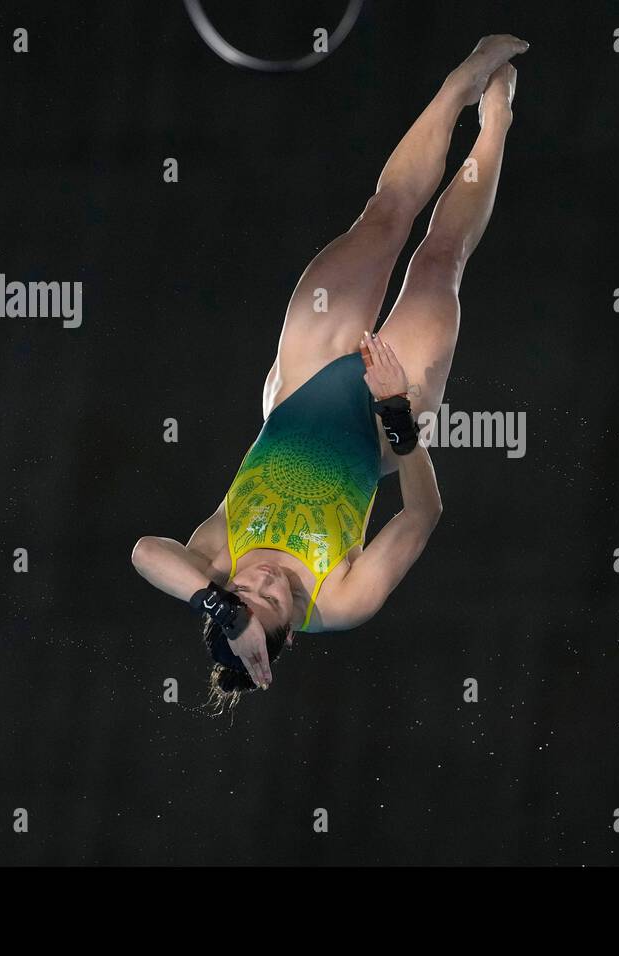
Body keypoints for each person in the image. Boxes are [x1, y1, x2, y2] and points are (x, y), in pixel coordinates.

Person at [131, 35, 527, 709]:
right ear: (291, 629)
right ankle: (495, 126)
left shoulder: (217, 562)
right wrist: (399, 414)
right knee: (439, 263)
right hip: (385, 421)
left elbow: (143, 552)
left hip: (302, 379)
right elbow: (424, 514)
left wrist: (215, 606)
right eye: (268, 603)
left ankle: (456, 88)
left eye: (240, 597)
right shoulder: (340, 602)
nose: (257, 584)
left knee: (384, 216)